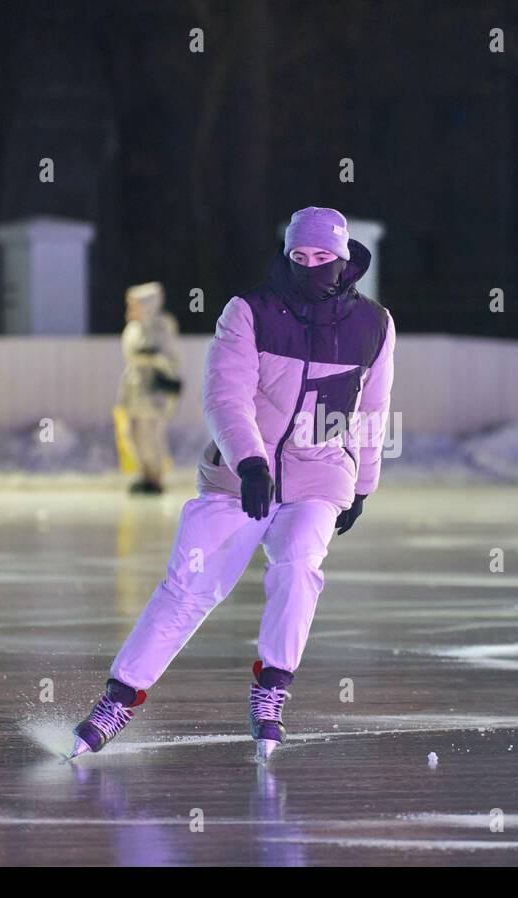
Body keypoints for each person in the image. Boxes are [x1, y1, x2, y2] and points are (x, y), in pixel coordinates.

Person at [72, 207, 396, 761]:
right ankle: (118, 699)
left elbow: (373, 408)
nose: (310, 266)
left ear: (343, 259)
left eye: (322, 258)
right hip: (241, 476)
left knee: (298, 565)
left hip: (321, 474)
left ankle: (271, 691)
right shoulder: (250, 311)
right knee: (191, 584)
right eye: (299, 257)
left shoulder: (374, 324)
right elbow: (226, 394)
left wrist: (363, 483)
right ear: (287, 255)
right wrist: (250, 462)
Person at [116, 282, 182, 494]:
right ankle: (143, 473)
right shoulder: (132, 329)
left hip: (153, 392)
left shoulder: (162, 327)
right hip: (135, 389)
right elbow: (131, 359)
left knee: (152, 435)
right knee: (134, 434)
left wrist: (154, 358)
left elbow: (171, 360)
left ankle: (155, 476)